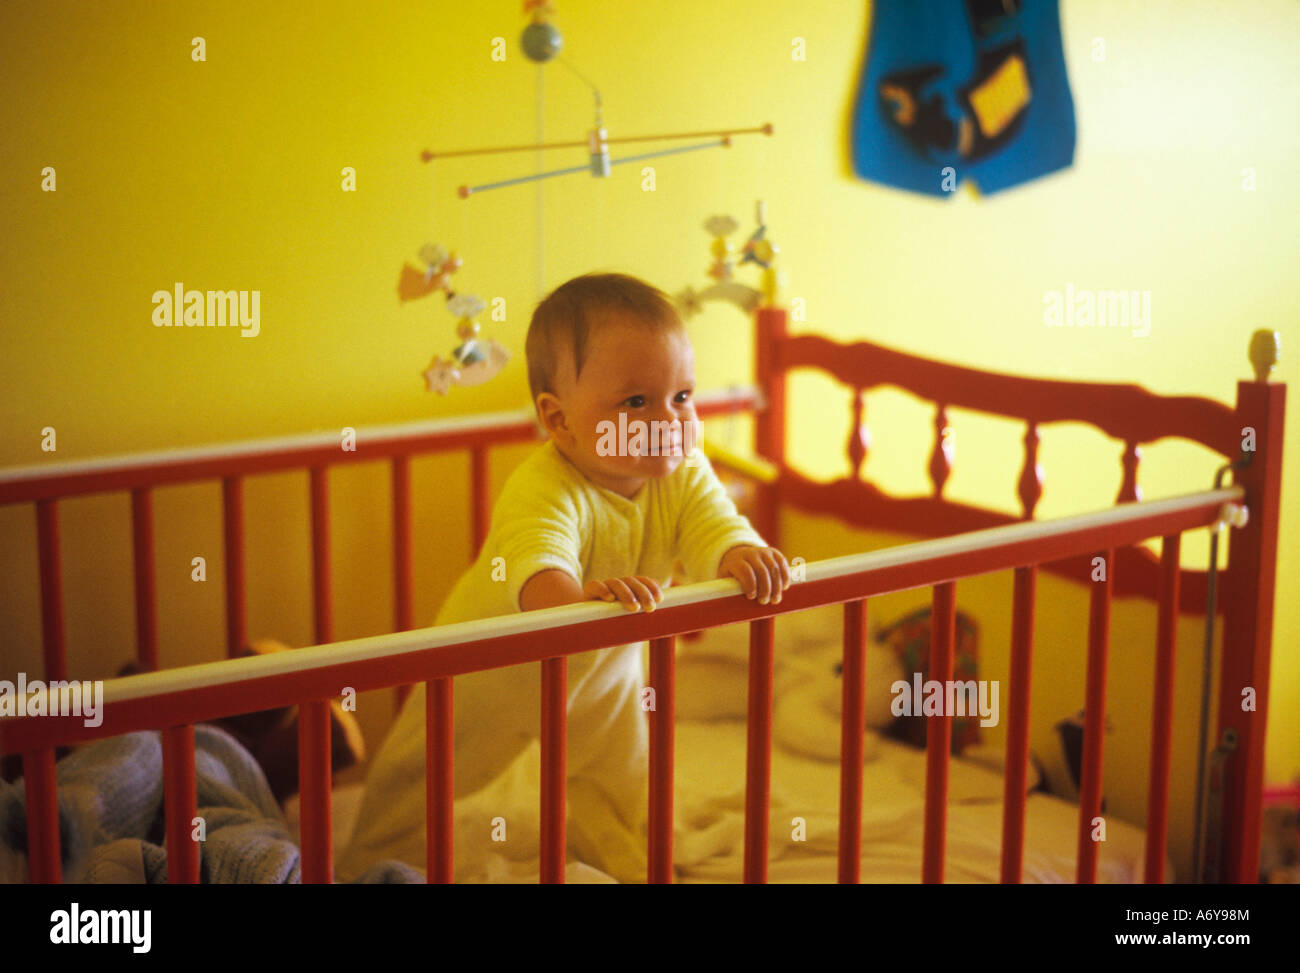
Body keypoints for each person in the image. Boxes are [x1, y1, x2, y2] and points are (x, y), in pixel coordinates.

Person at [338, 272, 790, 883]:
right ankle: (371, 863)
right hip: (489, 669)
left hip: (602, 674)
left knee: (622, 780)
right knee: (421, 775)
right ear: (559, 420)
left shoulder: (683, 471)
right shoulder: (543, 487)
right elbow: (538, 567)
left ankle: (624, 855)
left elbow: (715, 526)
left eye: (681, 396)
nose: (668, 421)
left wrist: (742, 554)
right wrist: (577, 601)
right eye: (636, 402)